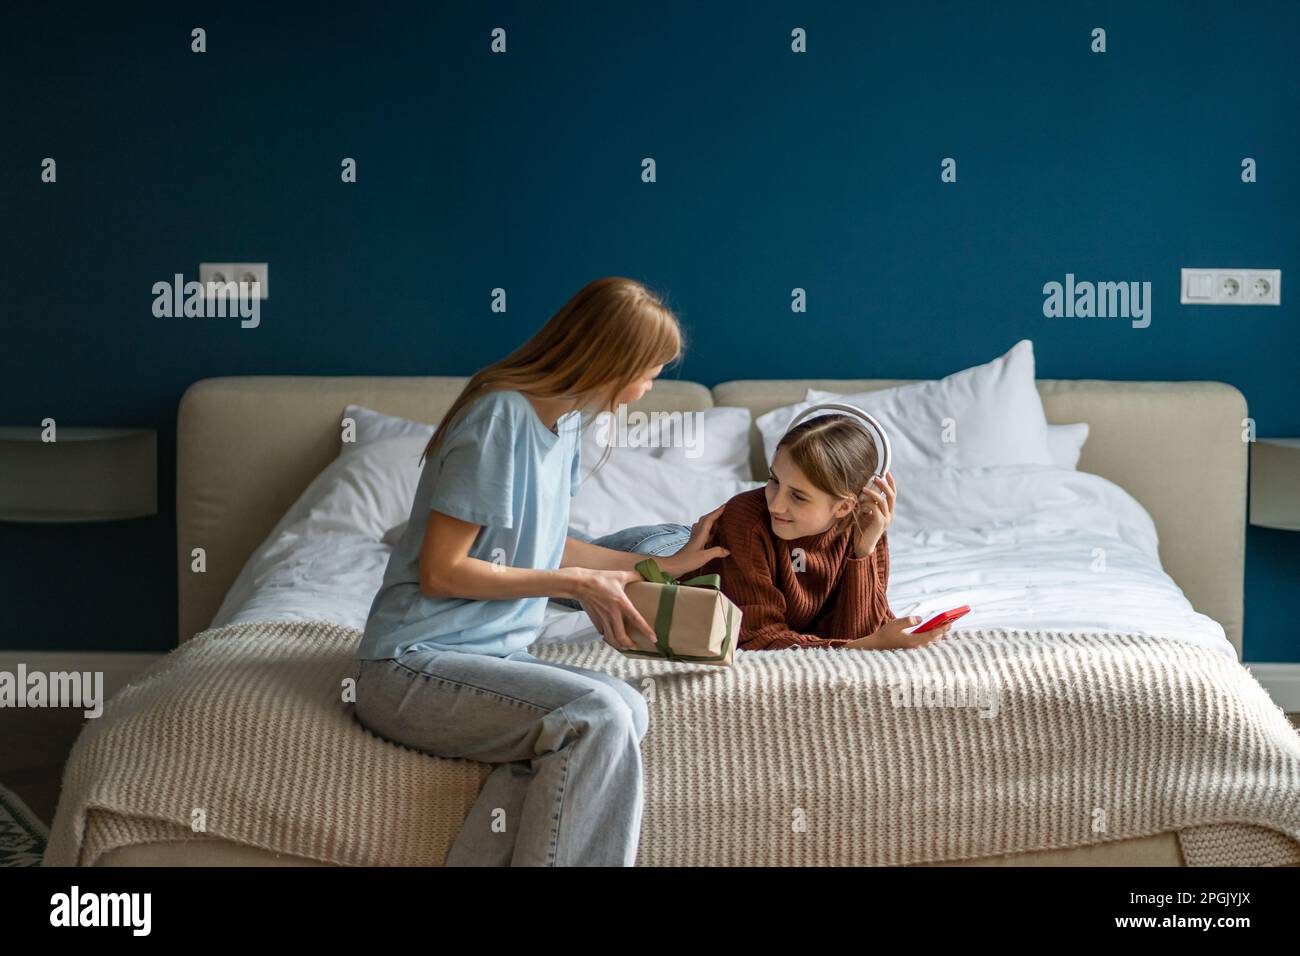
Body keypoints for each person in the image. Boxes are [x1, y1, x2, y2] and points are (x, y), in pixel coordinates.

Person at [352, 277, 727, 866]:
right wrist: (573, 586)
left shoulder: (570, 424)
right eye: (649, 370)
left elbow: (549, 546)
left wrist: (662, 566)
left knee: (629, 707)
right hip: (409, 664)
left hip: (492, 657)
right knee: (597, 716)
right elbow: (442, 572)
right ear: (611, 360)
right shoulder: (499, 417)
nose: (649, 387)